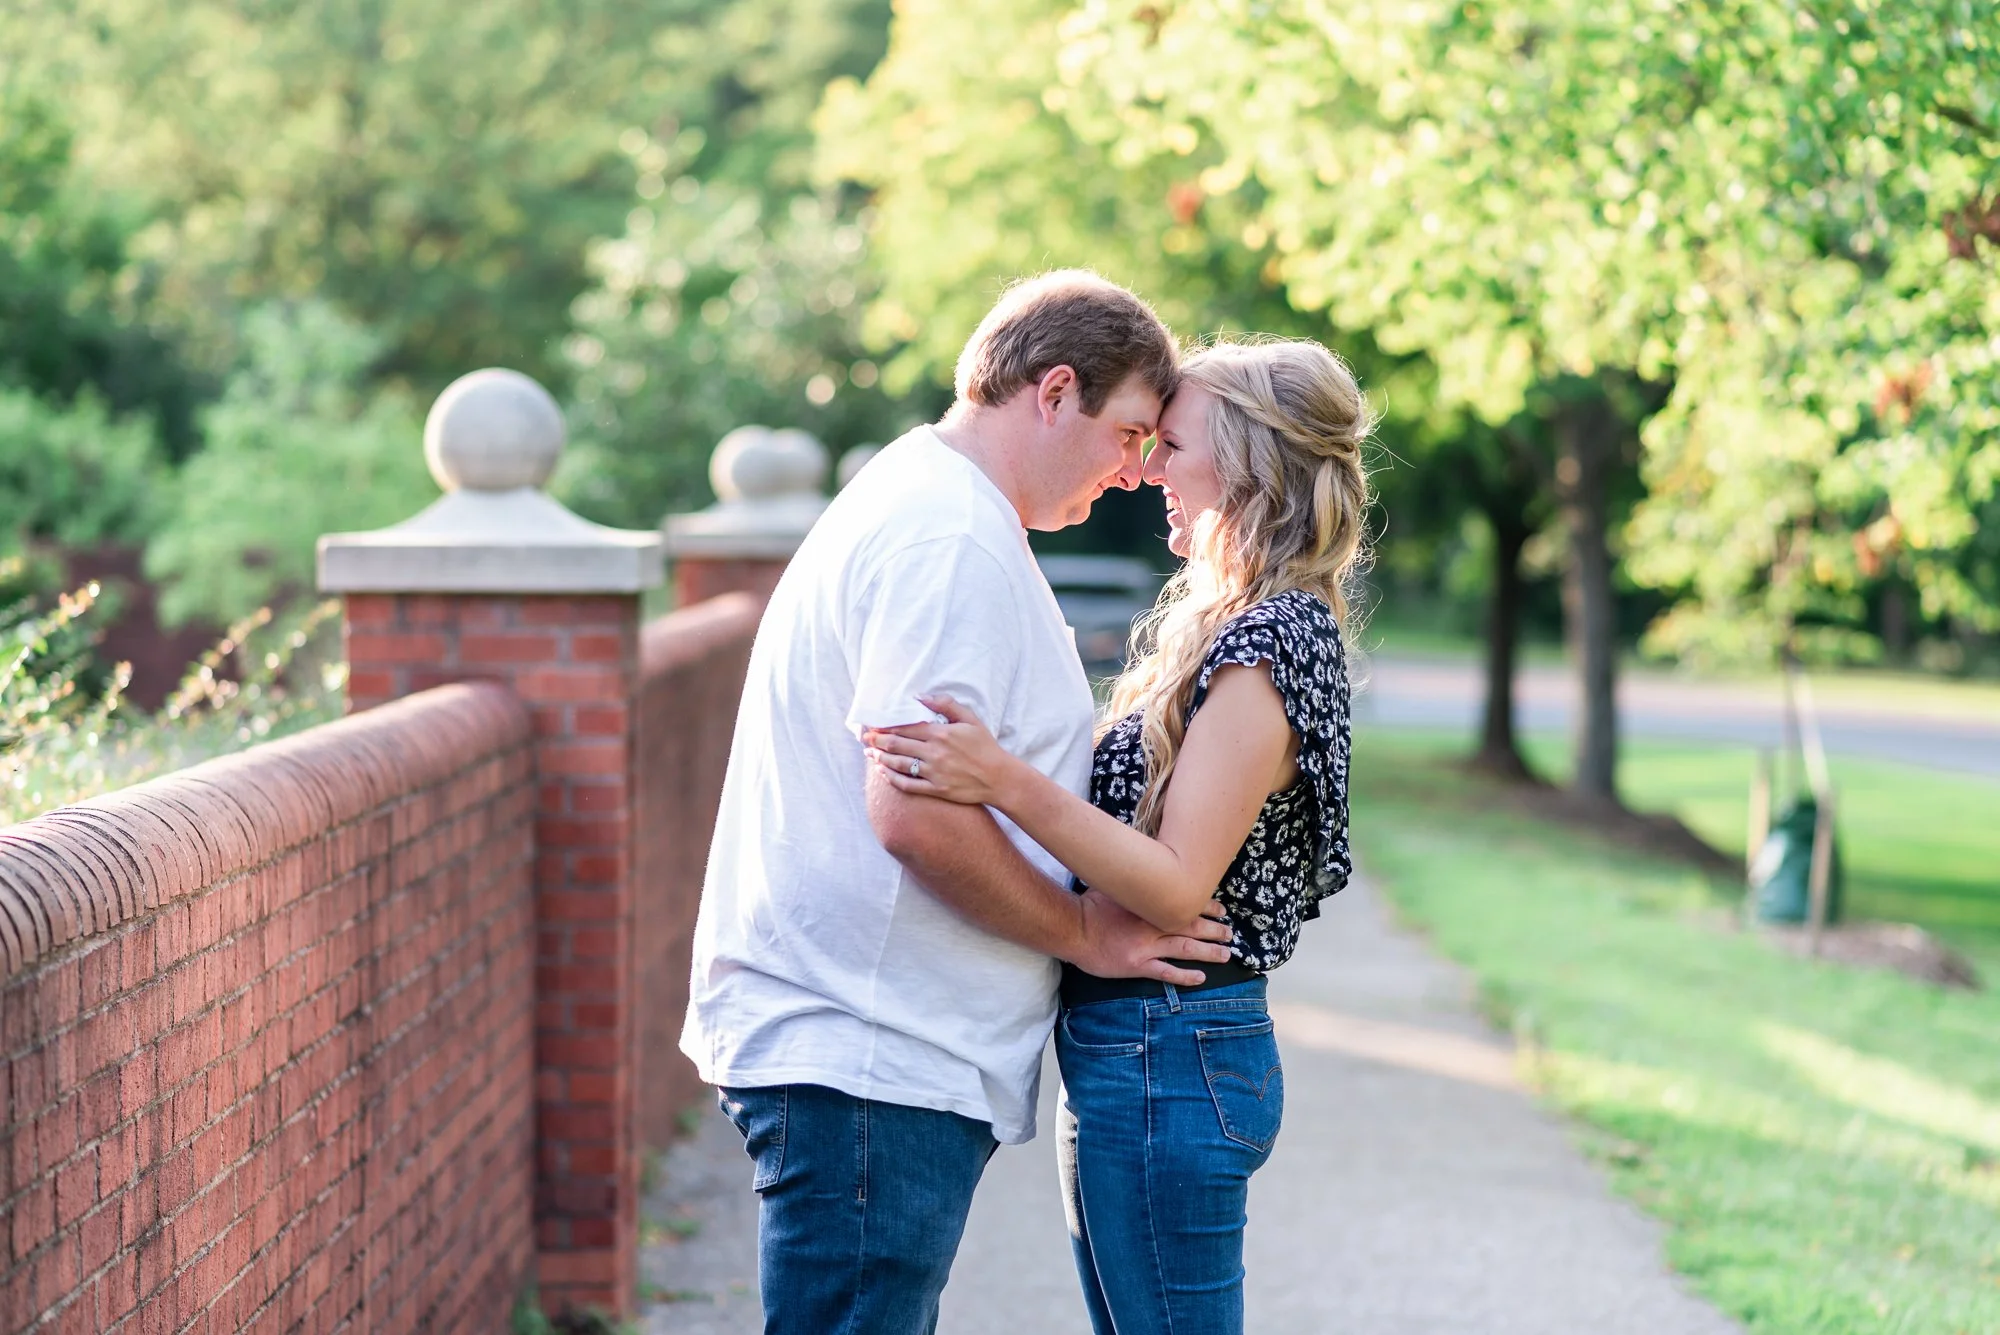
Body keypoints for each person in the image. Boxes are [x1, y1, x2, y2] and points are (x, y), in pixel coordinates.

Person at [680, 270, 1240, 1335]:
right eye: (1127, 435)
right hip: (868, 1057)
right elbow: (915, 809)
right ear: (1053, 390)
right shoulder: (948, 540)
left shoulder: (942, 509)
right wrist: (1082, 931)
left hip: (879, 1052)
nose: (1133, 474)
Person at [865, 337, 1372, 1335]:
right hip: (1135, 1051)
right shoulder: (1235, 623)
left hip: (1169, 1052)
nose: (1145, 469)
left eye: (1169, 444)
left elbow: (1175, 882)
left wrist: (998, 781)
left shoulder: (1272, 640)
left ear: (1243, 462)